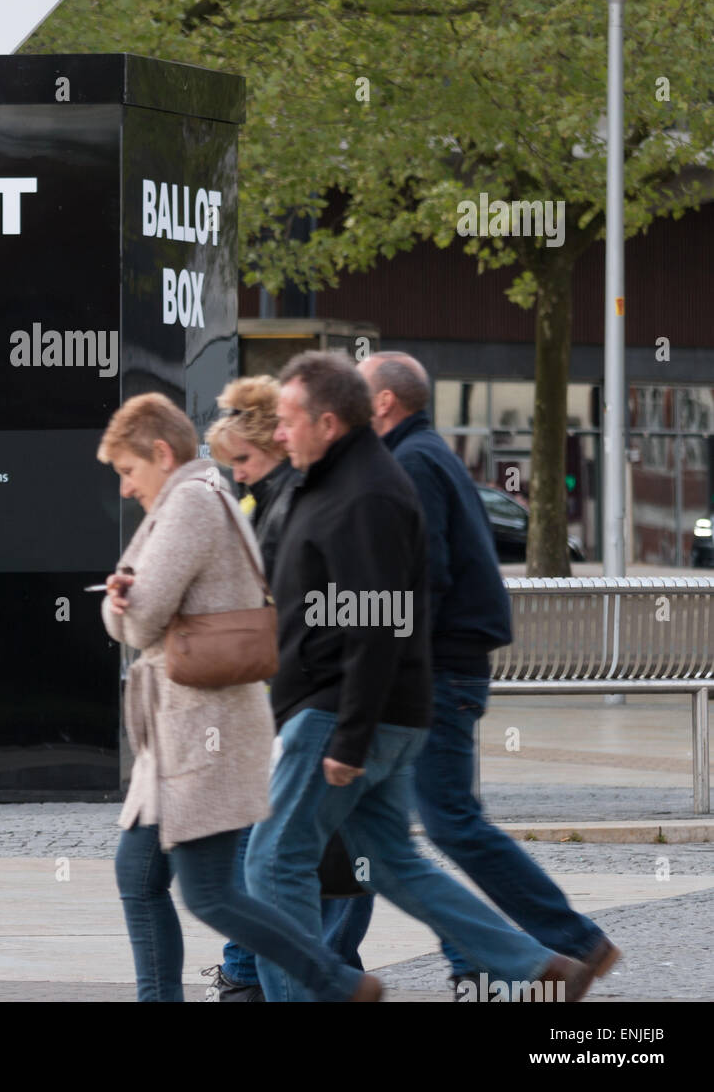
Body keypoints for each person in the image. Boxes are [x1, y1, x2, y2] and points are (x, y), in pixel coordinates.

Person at [243, 351, 596, 1003]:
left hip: (341, 712)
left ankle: (322, 989)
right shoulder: (337, 476)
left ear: (329, 420)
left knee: (270, 865)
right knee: (395, 864)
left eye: (287, 419)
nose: (278, 432)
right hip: (373, 709)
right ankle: (532, 962)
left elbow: (381, 618)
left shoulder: (370, 488)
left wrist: (349, 736)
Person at [98, 391, 381, 1002]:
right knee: (142, 875)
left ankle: (334, 978)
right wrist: (124, 604)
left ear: (161, 452)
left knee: (211, 892)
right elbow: (133, 610)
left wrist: (120, 604)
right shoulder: (202, 499)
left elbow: (140, 621)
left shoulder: (189, 507)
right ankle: (329, 977)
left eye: (128, 470)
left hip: (203, 728)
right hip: (188, 727)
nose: (124, 488)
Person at [356, 350, 621, 997]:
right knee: (393, 826)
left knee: (447, 823)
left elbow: (427, 580)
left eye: (358, 392)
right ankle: (473, 965)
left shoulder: (412, 462)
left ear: (385, 402)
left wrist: (396, 669)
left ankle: (567, 943)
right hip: (443, 669)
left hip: (437, 672)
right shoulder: (427, 454)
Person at [201, 377, 373, 1003]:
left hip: (308, 698)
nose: (239, 476)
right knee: (286, 847)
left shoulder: (311, 501)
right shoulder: (266, 502)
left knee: (297, 851)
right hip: (278, 696)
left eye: (244, 461)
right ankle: (281, 972)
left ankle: (314, 972)